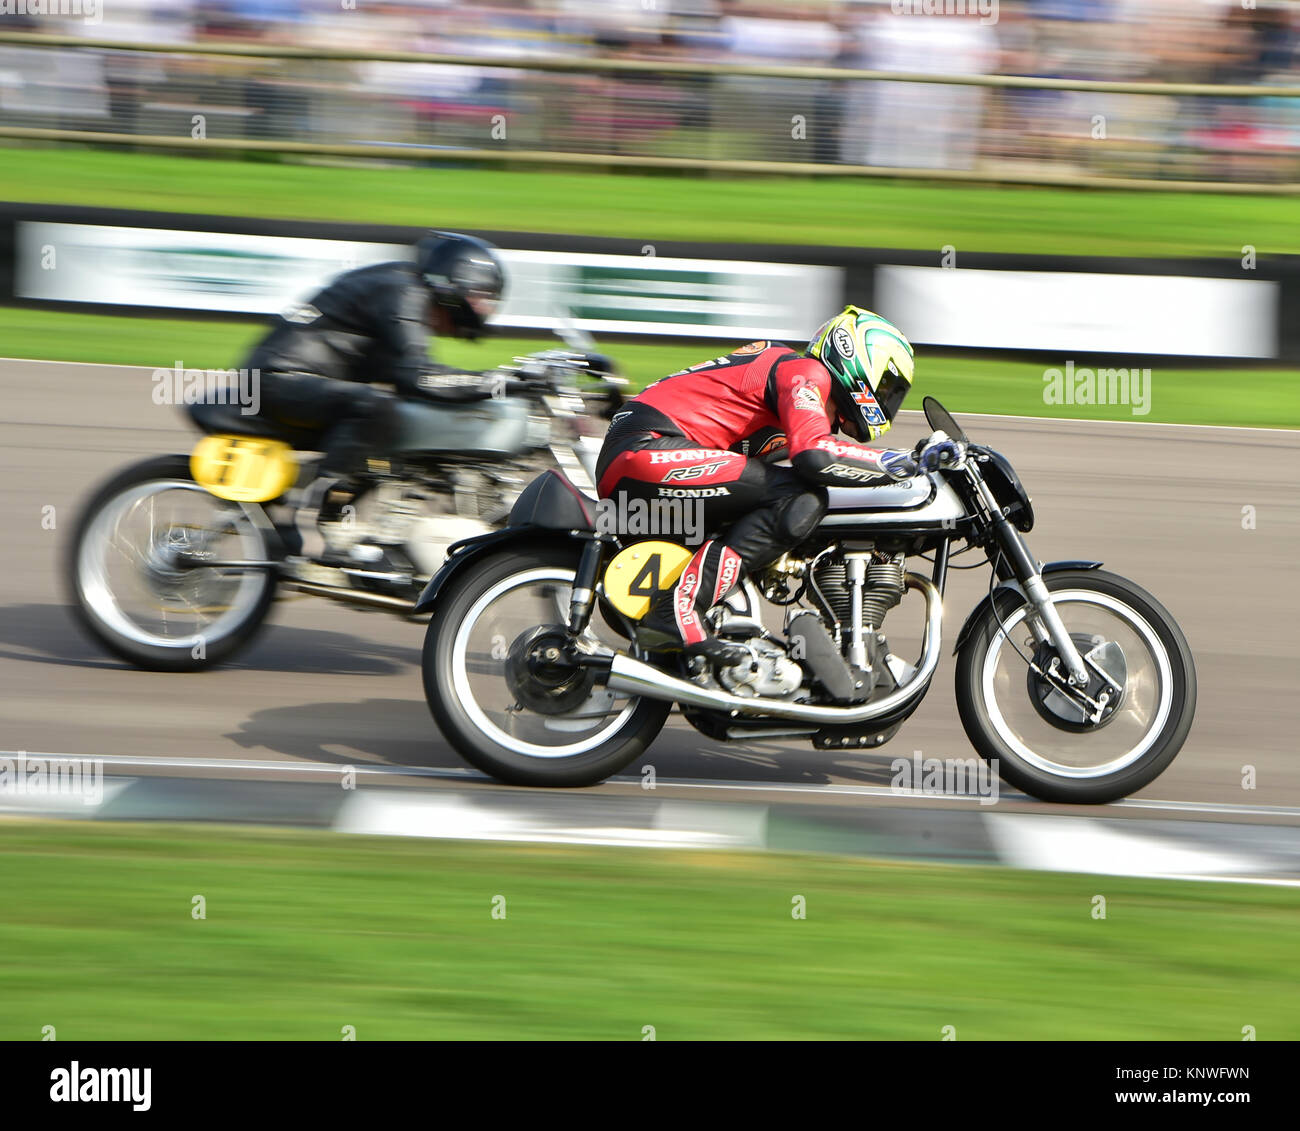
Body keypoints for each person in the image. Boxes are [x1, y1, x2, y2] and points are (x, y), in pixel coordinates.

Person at [595, 306, 961, 667]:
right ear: (857, 357)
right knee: (799, 498)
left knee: (786, 494)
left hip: (648, 453)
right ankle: (679, 609)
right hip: (646, 448)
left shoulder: (799, 394)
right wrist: (904, 462)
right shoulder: (806, 372)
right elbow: (815, 456)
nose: (886, 400)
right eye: (886, 386)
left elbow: (809, 455)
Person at [241, 230, 506, 564]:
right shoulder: (402, 290)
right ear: (456, 282)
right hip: (279, 378)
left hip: (306, 383)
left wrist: (496, 382)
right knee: (375, 406)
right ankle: (306, 516)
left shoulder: (406, 292)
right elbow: (419, 377)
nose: (485, 306)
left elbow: (414, 375)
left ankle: (366, 532)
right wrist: (500, 382)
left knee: (399, 422)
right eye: (481, 295)